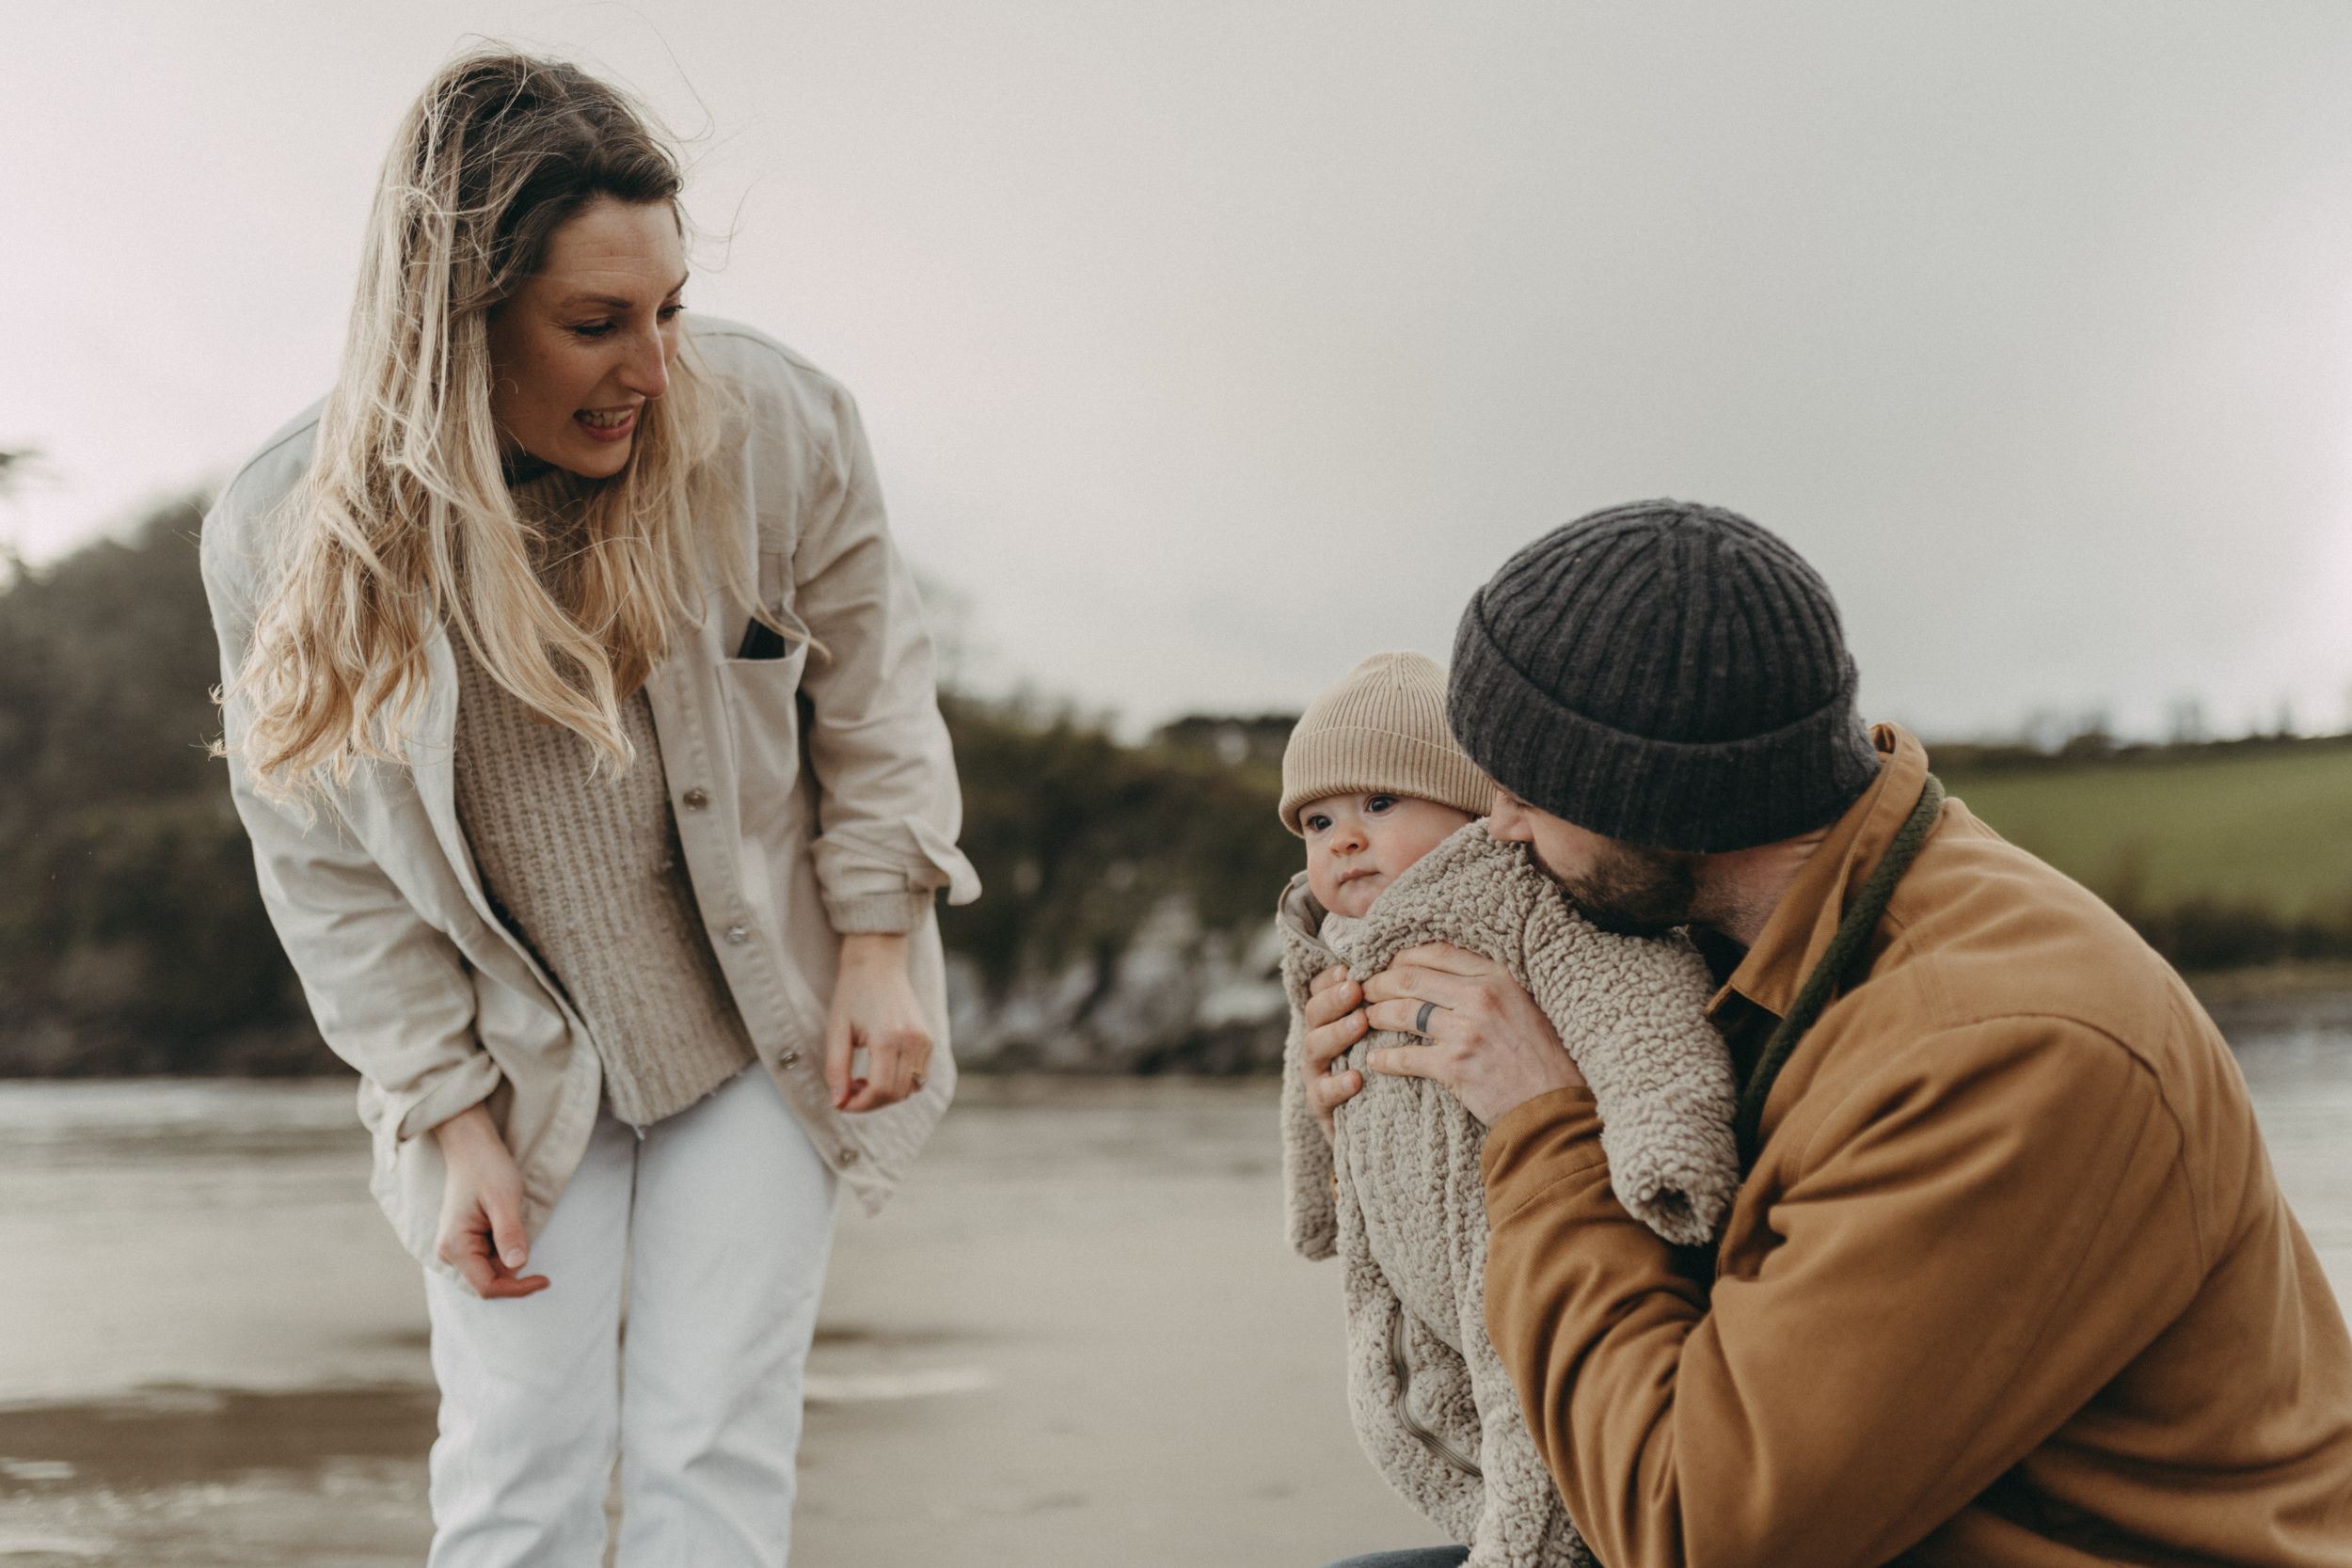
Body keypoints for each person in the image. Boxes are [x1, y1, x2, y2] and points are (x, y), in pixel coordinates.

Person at [199, 51, 977, 1567]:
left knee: (713, 1450)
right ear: (458, 319)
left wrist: (880, 943)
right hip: (506, 1060)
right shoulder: (284, 533)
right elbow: (321, 867)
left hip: (759, 1024)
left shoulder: (777, 423)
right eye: (596, 323)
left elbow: (879, 692)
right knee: (516, 1469)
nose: (654, 369)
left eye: (670, 308)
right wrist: (445, 1108)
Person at [1300, 499, 2352, 1566]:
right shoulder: (1762, 930)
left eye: (1526, 791)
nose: (1499, 825)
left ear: (1654, 800)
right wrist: (1388, 1096)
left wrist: (1540, 1124)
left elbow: (1697, 1530)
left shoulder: (2007, 1046)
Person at [1277, 652, 1736, 1568]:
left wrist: (1669, 1144)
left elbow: (1635, 1004)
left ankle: (1529, 1548)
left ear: (1471, 808)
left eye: (1380, 803)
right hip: (1406, 1260)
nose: (1344, 840)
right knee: (1414, 1409)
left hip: (1514, 1239)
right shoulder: (1326, 942)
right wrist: (1317, 1190)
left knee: (1525, 1413)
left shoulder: (1524, 900)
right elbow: (1307, 1067)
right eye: (1318, 821)